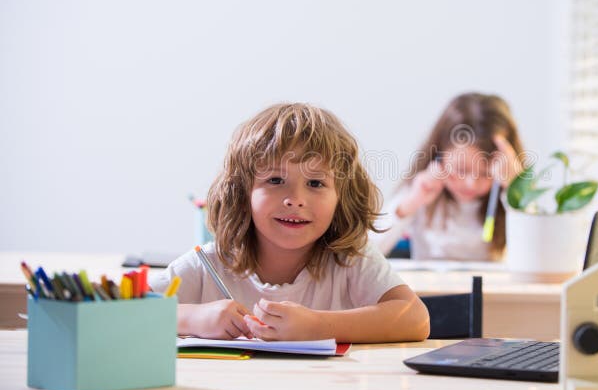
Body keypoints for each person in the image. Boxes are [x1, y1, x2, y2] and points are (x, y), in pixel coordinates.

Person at [152, 103, 430, 343]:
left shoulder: (350, 260)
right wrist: (192, 317)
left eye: (315, 183)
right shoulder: (209, 264)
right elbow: (127, 312)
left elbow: (416, 320)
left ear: (341, 198)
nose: (295, 200)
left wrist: (316, 326)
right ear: (242, 192)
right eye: (275, 180)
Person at [371, 93, 525, 261]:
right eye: (461, 169)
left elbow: (535, 252)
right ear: (439, 155)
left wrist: (515, 190)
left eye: (486, 173)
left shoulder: (509, 200)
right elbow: (366, 252)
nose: (471, 184)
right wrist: (411, 203)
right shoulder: (421, 191)